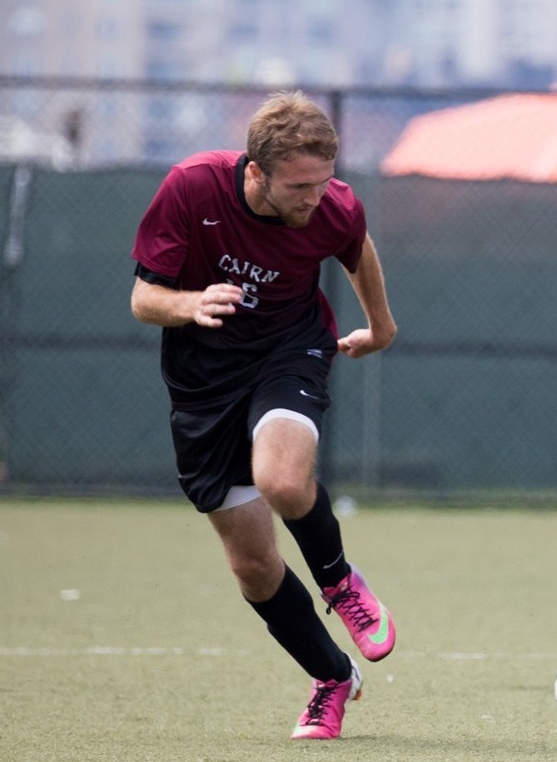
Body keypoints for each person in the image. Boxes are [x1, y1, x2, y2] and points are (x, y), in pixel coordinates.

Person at [130, 91, 398, 739]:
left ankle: (340, 583)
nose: (316, 198)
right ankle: (332, 677)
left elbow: (356, 247)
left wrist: (381, 326)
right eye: (300, 186)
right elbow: (144, 297)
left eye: (324, 182)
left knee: (281, 479)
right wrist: (189, 304)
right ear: (256, 173)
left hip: (289, 350)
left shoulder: (332, 206)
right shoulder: (191, 188)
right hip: (203, 384)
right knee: (251, 564)